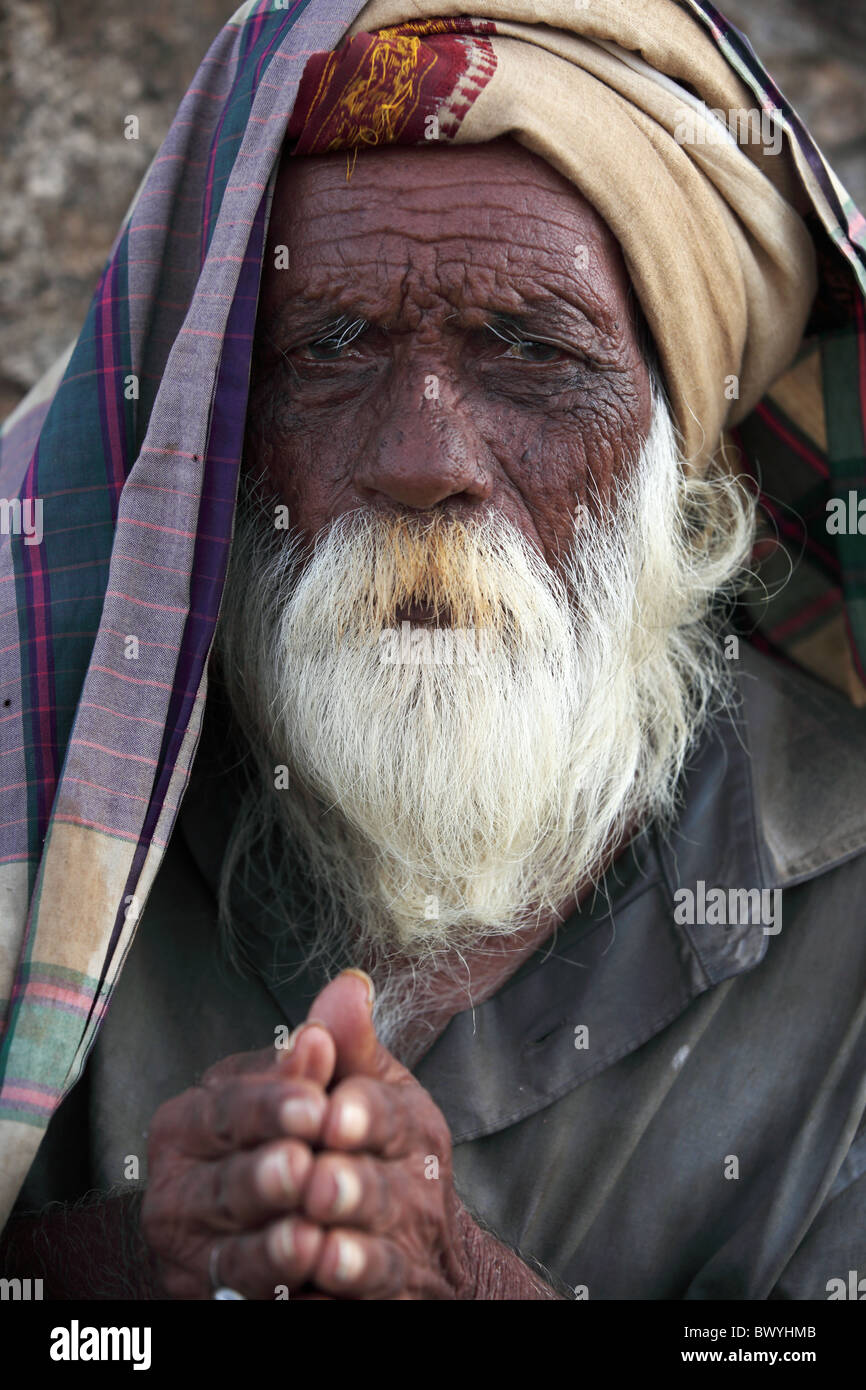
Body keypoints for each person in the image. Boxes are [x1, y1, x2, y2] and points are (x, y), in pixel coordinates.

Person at [0, 0, 864, 1300]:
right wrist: (121, 1259)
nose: (422, 461)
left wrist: (452, 1281)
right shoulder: (43, 790)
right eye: (329, 349)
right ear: (225, 440)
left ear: (680, 461)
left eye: (530, 352)